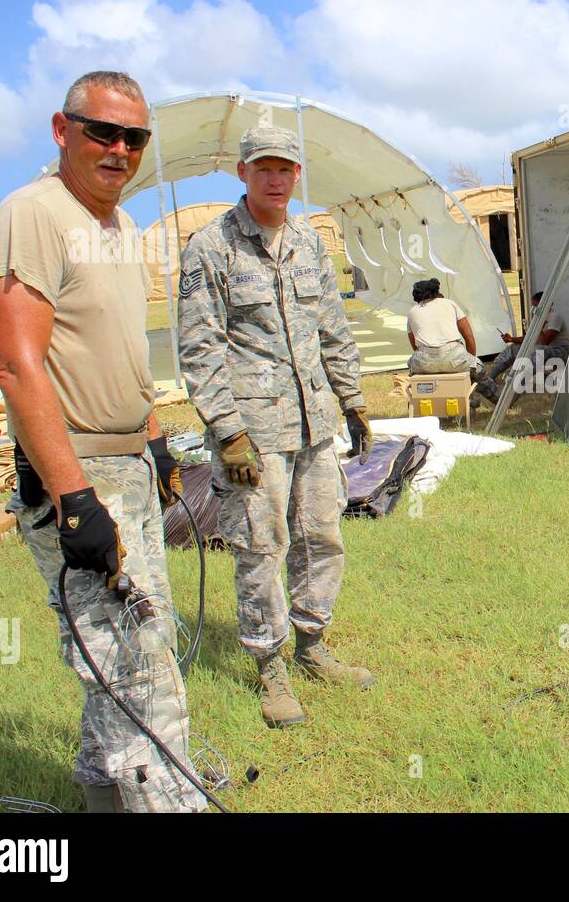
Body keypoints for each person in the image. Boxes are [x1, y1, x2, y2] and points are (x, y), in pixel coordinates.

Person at [0, 70, 204, 812]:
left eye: (134, 137)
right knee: (136, 669)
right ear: (61, 129)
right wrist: (74, 497)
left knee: (136, 646)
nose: (119, 149)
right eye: (100, 132)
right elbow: (18, 365)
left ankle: (103, 800)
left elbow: (115, 347)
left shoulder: (121, 226)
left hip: (129, 462)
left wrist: (154, 441)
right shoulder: (32, 214)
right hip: (79, 471)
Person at [177, 126, 374, 729]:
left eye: (286, 168)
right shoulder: (210, 247)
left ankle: (313, 645)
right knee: (260, 547)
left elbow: (332, 328)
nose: (276, 178)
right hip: (254, 434)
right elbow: (199, 346)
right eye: (263, 167)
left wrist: (353, 400)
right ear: (242, 173)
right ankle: (270, 666)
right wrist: (228, 432)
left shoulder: (310, 243)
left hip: (314, 423)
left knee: (321, 537)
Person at [406, 277, 498, 403]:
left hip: (424, 361)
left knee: (411, 363)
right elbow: (468, 336)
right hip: (454, 357)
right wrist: (470, 361)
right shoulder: (449, 304)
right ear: (436, 292)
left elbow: (414, 345)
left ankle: (423, 402)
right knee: (479, 369)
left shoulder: (412, 312)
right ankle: (499, 401)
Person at [485, 291, 569, 390]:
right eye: (533, 306)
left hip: (561, 352)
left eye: (536, 306)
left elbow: (546, 341)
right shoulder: (540, 318)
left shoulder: (555, 317)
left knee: (539, 350)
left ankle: (518, 385)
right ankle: (489, 378)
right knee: (514, 348)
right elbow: (530, 338)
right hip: (543, 350)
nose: (534, 309)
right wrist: (511, 339)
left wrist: (539, 323)